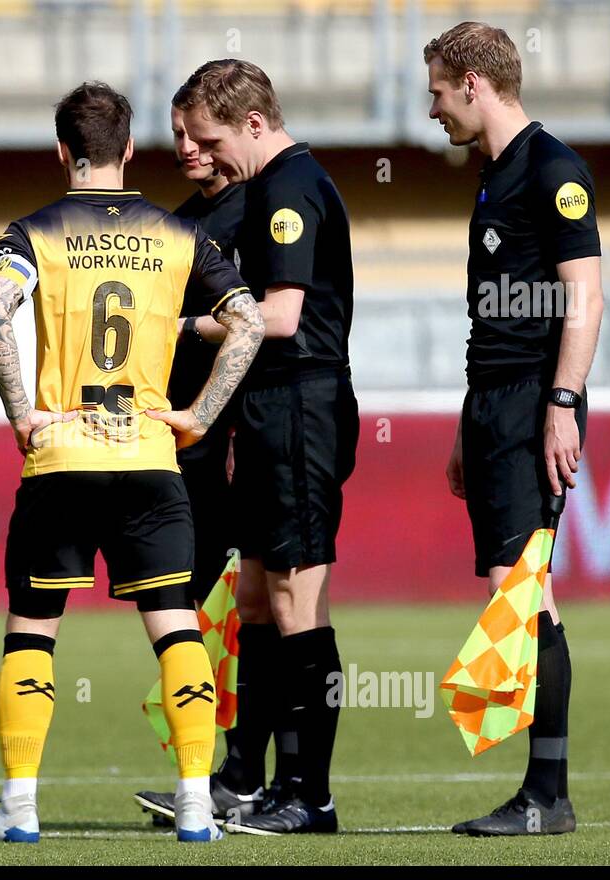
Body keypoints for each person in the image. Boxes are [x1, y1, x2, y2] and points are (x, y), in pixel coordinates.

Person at [0, 81, 264, 843]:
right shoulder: (181, 236)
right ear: (130, 150)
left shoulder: (33, 233)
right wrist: (197, 416)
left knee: (32, 632)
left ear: (63, 150)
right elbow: (250, 323)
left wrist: (22, 415)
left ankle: (19, 808)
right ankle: (197, 803)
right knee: (178, 631)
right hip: (149, 460)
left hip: (62, 460)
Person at [426, 22, 603, 835]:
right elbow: (491, 313)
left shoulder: (553, 168)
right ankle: (544, 791)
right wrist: (471, 418)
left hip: (537, 399)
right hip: (496, 402)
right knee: (516, 586)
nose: (431, 109)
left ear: (472, 82)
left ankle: (549, 794)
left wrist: (562, 403)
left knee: (522, 588)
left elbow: (586, 297)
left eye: (436, 90)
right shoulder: (494, 175)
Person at [180, 59, 359, 836]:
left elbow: (280, 316)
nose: (208, 155)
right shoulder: (275, 182)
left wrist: (184, 328)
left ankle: (309, 795)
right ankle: (257, 781)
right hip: (266, 409)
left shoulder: (288, 185)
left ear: (254, 124)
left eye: (214, 138)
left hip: (298, 406)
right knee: (257, 597)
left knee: (296, 600)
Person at [132, 83, 261, 827]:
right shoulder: (177, 226)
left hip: (243, 434)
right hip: (187, 443)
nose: (185, 146)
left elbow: (270, 322)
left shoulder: (263, 209)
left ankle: (250, 777)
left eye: (198, 133)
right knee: (195, 605)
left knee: (255, 605)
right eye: (176, 132)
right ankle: (211, 776)